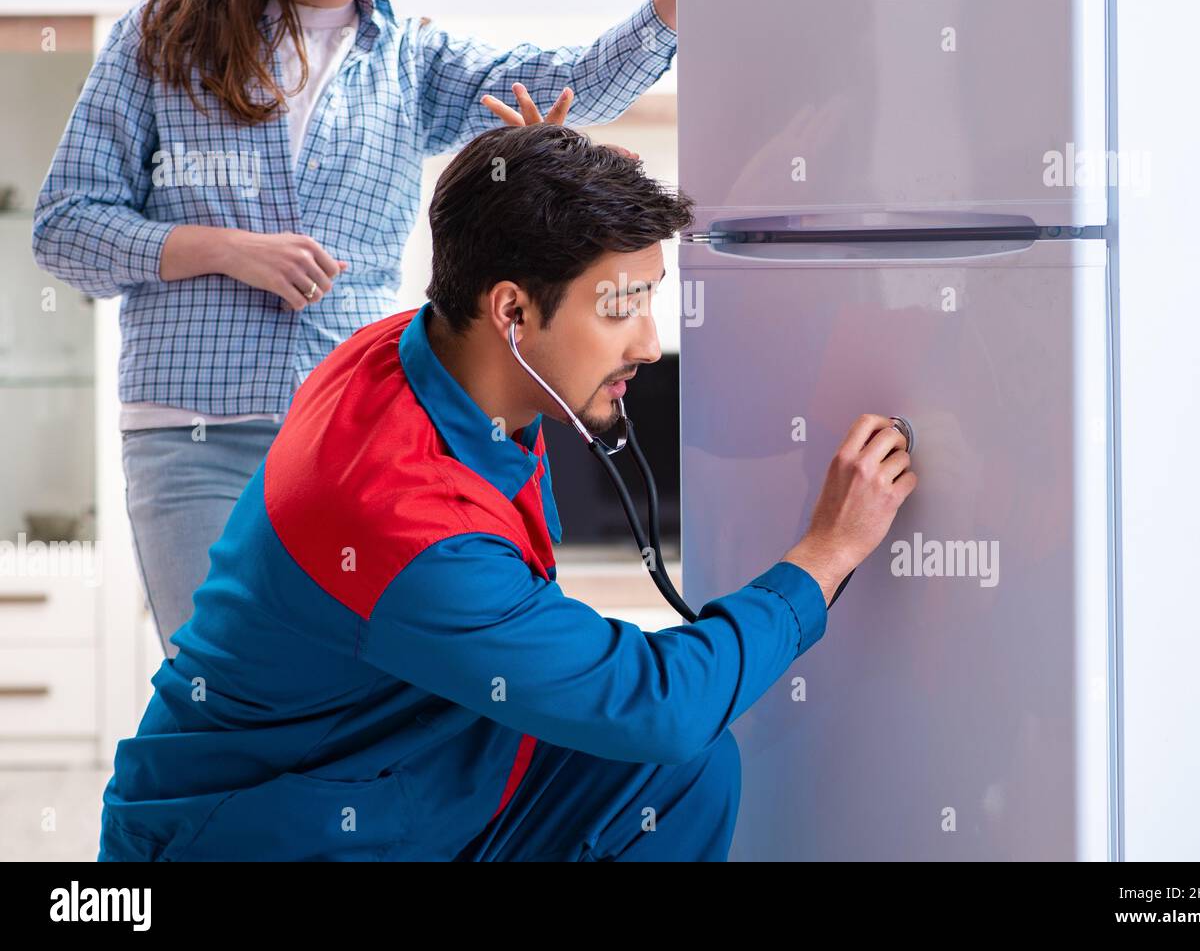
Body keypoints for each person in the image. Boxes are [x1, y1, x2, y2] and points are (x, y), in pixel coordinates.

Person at [97, 123, 918, 863]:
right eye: (621, 306)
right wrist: (826, 553)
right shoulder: (410, 527)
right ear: (513, 312)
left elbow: (493, 252)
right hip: (260, 838)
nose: (649, 341)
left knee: (683, 773)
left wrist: (531, 180)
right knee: (673, 731)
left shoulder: (424, 347)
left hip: (411, 774)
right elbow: (660, 702)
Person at [30, 0, 677, 660]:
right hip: (195, 437)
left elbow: (574, 80)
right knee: (226, 692)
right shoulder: (159, 40)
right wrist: (223, 250)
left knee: (356, 695)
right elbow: (65, 226)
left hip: (354, 433)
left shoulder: (410, 60)